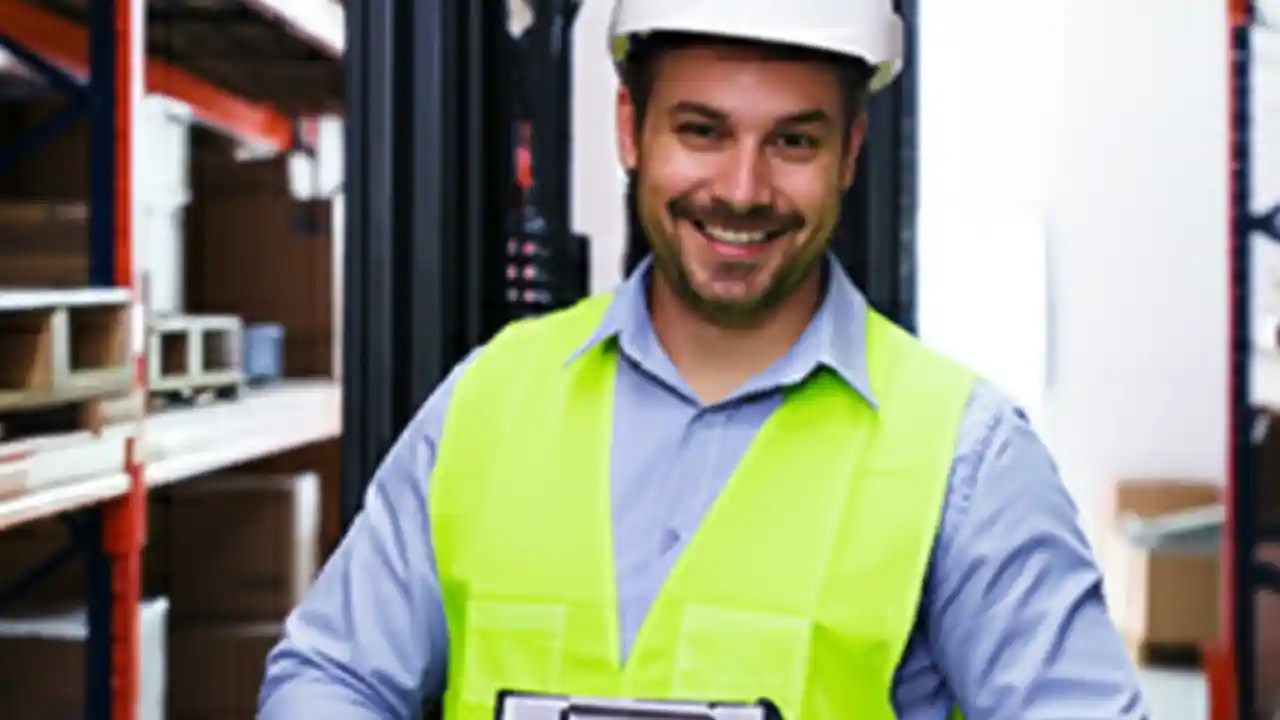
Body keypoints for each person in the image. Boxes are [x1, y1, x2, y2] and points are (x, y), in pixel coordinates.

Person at [259, 1, 1151, 718]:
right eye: (702, 131)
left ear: (850, 152)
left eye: (793, 141)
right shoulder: (491, 399)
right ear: (630, 129)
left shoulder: (967, 457)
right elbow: (332, 676)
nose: (741, 190)